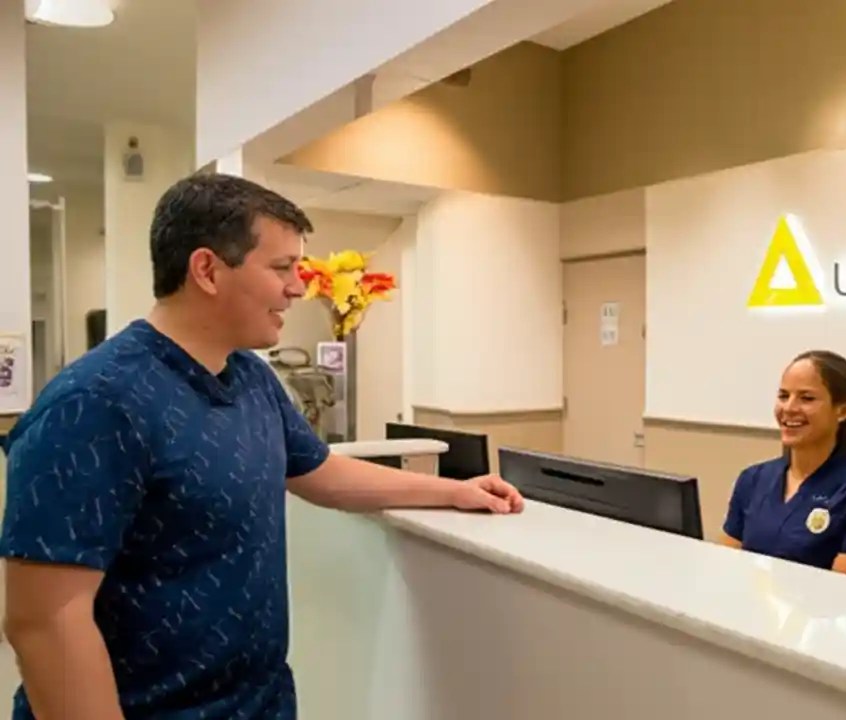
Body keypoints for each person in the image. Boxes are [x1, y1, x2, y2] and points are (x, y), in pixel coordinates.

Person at [0, 173, 525, 720]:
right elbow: (45, 622)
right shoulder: (94, 402)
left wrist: (453, 491)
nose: (298, 287)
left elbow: (323, 473)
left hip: (260, 703)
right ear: (207, 270)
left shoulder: (250, 377)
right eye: (281, 268)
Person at [720, 350, 846, 580]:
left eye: (806, 398)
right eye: (783, 396)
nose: (789, 408)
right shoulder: (753, 480)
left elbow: (845, 595)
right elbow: (728, 570)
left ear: (843, 411)